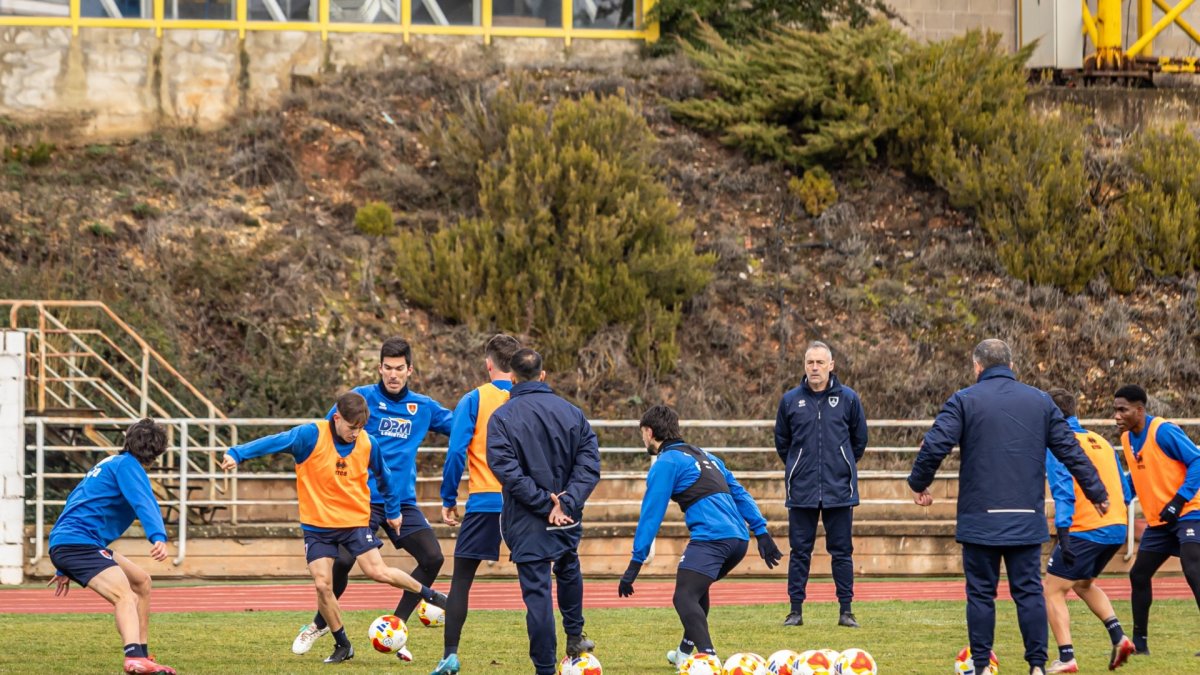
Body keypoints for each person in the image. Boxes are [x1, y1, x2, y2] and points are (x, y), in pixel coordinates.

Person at [907, 339, 1109, 675]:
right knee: (1029, 593)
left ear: (977, 366)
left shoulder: (964, 400)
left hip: (979, 518)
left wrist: (918, 483)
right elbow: (1071, 450)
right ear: (1011, 365)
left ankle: (983, 666)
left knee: (981, 596)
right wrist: (1096, 491)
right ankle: (1037, 667)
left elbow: (935, 445)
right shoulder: (1041, 402)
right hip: (1025, 518)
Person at [220, 390, 448, 665]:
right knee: (322, 584)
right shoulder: (310, 436)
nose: (356, 433)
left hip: (354, 523)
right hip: (317, 527)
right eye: (352, 427)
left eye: (361, 427)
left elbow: (385, 479)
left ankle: (433, 596)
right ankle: (343, 645)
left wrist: (392, 510)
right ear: (337, 418)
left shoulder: (367, 443)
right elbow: (274, 442)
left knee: (378, 572)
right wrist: (237, 453)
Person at [290, 337, 454, 662]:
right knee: (343, 562)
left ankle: (397, 627)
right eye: (388, 368)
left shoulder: (423, 407)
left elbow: (462, 427)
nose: (393, 375)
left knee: (433, 558)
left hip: (400, 502)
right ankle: (320, 624)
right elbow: (325, 432)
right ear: (380, 368)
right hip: (358, 501)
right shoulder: (360, 399)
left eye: (399, 369)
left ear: (410, 370)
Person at [618, 404, 783, 668]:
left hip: (712, 538)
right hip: (738, 540)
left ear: (649, 432)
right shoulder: (709, 456)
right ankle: (685, 652)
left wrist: (635, 564)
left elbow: (651, 515)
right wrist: (761, 532)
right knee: (694, 590)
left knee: (683, 597)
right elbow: (740, 494)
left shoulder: (666, 462)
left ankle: (709, 659)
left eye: (642, 434)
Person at [486, 348, 602, 675]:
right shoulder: (572, 413)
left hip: (526, 518)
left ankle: (545, 668)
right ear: (543, 375)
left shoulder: (503, 417)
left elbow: (505, 469)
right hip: (565, 513)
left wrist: (545, 502)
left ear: (511, 378)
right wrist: (567, 502)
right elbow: (590, 464)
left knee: (538, 592)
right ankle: (575, 635)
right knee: (568, 565)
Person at [47, 418, 177, 675]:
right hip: (78, 544)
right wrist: (158, 536)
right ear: (158, 450)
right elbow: (145, 502)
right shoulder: (129, 467)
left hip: (74, 542)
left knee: (141, 581)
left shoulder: (109, 463)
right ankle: (134, 658)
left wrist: (63, 564)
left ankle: (143, 654)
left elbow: (77, 502)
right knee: (124, 595)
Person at [431, 333, 522, 675]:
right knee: (538, 578)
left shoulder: (474, 399)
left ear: (488, 364)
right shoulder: (527, 398)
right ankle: (565, 648)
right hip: (524, 502)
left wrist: (448, 498)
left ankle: (450, 655)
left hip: (485, 501)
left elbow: (456, 452)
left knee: (461, 581)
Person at [774, 340, 868, 628]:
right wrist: (799, 466)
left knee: (842, 552)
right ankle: (795, 611)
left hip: (839, 490)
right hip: (802, 491)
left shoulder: (849, 399)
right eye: (809, 362)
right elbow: (782, 443)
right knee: (799, 552)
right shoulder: (790, 400)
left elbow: (859, 440)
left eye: (819, 362)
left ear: (831, 365)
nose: (814, 367)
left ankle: (846, 611)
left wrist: (841, 464)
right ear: (804, 365)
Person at [1042, 388, 1135, 674]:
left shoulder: (1059, 443)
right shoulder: (1101, 441)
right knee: (1082, 584)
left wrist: (1064, 531)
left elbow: (1063, 489)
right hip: (1116, 526)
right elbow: (1127, 490)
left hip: (1085, 528)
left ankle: (1066, 657)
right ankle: (1120, 638)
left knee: (1051, 590)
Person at [1113, 384, 1200, 657]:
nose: (1116, 415)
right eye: (1115, 409)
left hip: (1189, 512)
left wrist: (1178, 500)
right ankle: (1140, 643)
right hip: (1160, 521)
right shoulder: (1127, 439)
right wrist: (1119, 498)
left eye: (1122, 409)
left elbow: (1198, 461)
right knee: (1139, 574)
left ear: (1139, 410)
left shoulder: (1163, 431)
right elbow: (1138, 478)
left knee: (1193, 568)